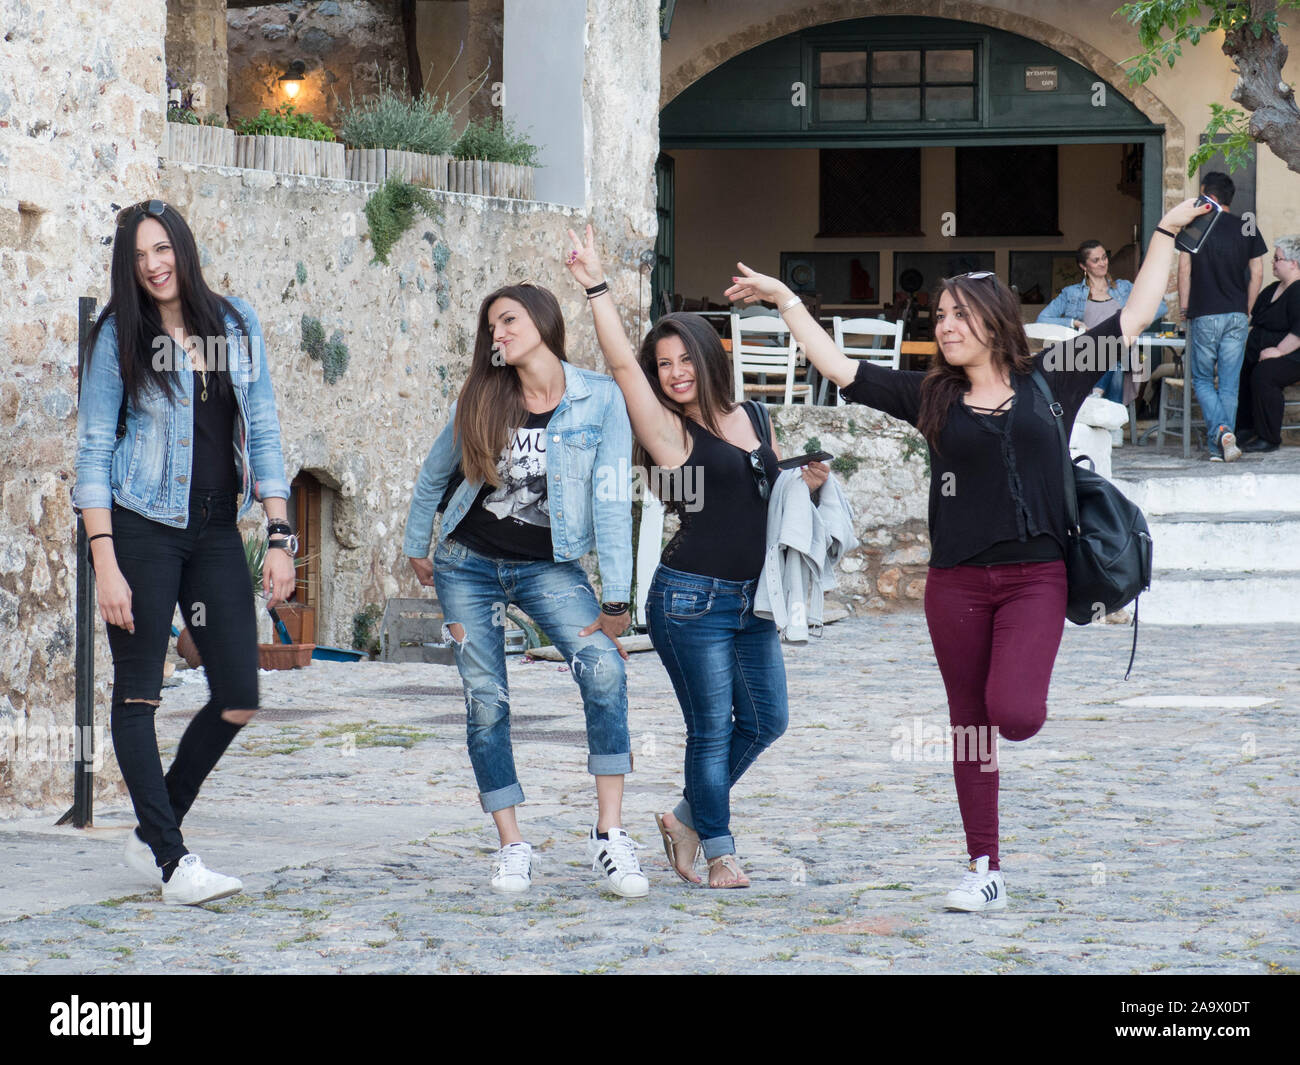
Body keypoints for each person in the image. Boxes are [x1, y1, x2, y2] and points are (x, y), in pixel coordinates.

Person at [726, 198, 1209, 912]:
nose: (945, 327)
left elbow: (1134, 315)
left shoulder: (1054, 376)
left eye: (959, 315)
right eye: (940, 316)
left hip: (1036, 578)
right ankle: (984, 864)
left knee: (1013, 711)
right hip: (955, 586)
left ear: (994, 321)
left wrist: (1165, 233)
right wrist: (787, 299)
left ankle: (995, 800)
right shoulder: (930, 396)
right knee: (971, 723)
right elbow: (842, 367)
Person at [564, 226, 828, 889]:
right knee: (711, 730)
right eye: (665, 365)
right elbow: (622, 364)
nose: (675, 373)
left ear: (710, 356)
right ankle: (719, 851)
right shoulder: (671, 431)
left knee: (768, 719)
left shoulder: (758, 418)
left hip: (753, 598)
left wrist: (809, 482)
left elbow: (763, 492)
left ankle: (684, 818)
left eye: (685, 360)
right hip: (691, 600)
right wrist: (596, 284)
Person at [73, 200, 293, 906]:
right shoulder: (119, 337)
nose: (153, 265)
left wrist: (280, 531)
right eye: (139, 257)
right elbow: (93, 452)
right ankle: (173, 861)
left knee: (237, 692)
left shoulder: (235, 323)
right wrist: (104, 559)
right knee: (139, 691)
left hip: (216, 531)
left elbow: (263, 433)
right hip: (140, 528)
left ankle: (150, 833)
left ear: (183, 248)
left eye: (161, 249)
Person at [402, 283, 647, 898]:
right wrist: (415, 545)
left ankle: (610, 837)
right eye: (492, 328)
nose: (499, 334)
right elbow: (435, 472)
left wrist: (616, 601)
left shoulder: (601, 399)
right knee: (487, 700)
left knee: (604, 670)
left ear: (541, 320)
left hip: (550, 568)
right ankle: (512, 845)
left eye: (508, 321)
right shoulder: (484, 397)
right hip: (467, 564)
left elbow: (614, 501)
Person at [1179, 171, 1269, 462]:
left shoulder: (1195, 224)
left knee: (1203, 380)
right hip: (1236, 315)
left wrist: (1184, 307)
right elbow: (1257, 273)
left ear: (1211, 197)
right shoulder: (1247, 224)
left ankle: (1220, 434)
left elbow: (1184, 271)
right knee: (1229, 383)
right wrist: (1247, 309)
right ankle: (1222, 445)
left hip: (1204, 313)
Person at [1037, 240, 1165, 403]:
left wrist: (1133, 318)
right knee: (1113, 361)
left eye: (1104, 258)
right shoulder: (1072, 294)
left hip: (1124, 351)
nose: (1103, 263)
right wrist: (1073, 323)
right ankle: (1112, 419)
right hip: (1085, 355)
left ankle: (1096, 396)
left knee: (1113, 351)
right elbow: (1042, 319)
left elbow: (1160, 305)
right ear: (1084, 266)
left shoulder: (1124, 288)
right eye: (1096, 260)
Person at [1237, 236, 1300, 453]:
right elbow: (1255, 320)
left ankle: (1269, 437)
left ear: (1294, 263)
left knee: (1265, 374)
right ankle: (1244, 427)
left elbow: (1299, 331)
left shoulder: (1298, 290)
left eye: (1277, 259)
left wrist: (1278, 351)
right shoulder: (1272, 289)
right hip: (1263, 350)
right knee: (1243, 369)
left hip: (1293, 356)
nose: (1273, 263)